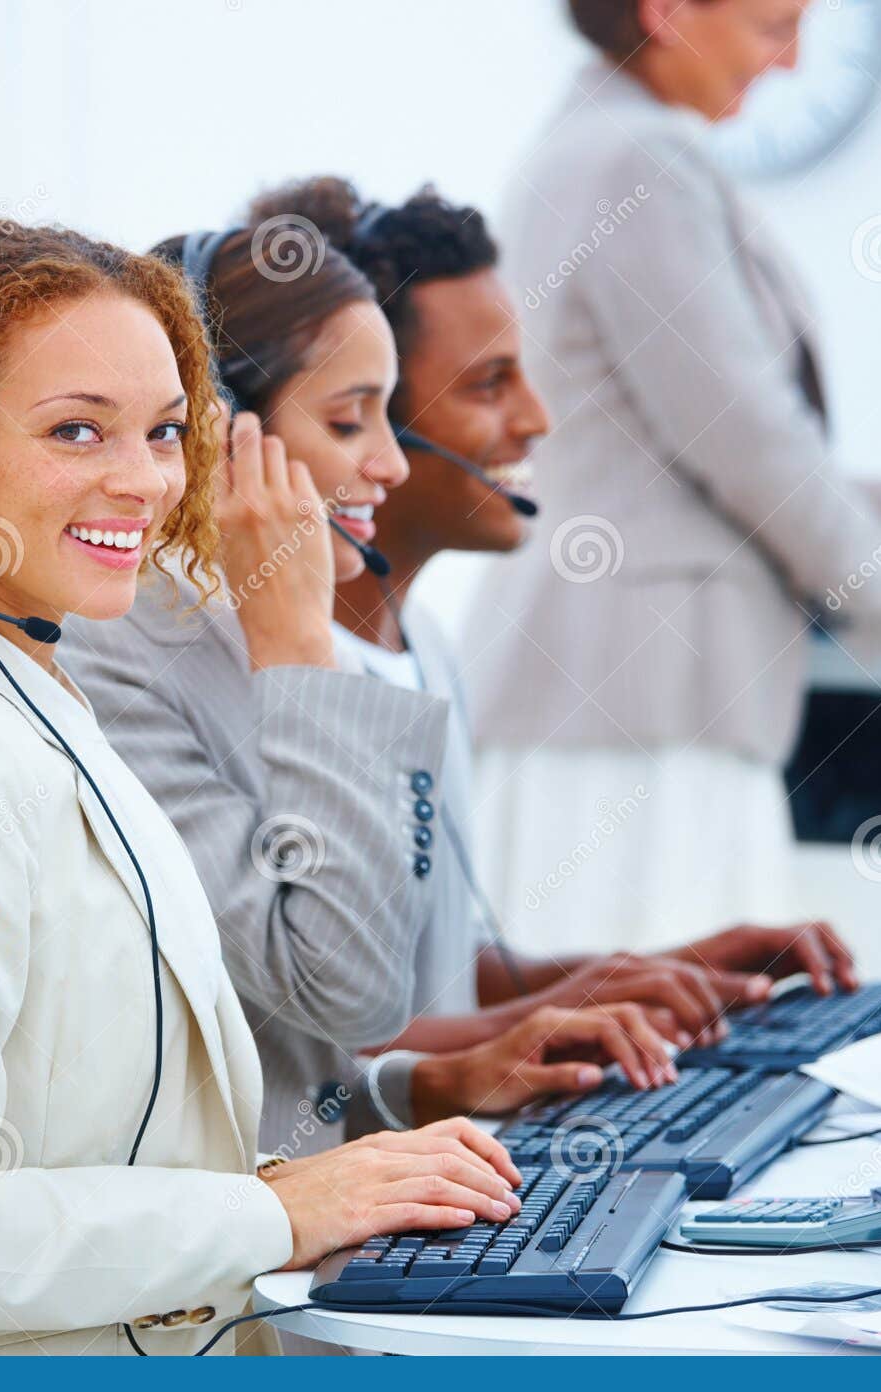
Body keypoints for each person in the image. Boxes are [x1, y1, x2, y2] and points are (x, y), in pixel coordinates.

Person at [0, 219, 521, 1357]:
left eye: (167, 431)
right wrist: (279, 1213)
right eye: (77, 430)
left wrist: (368, 1139)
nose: (141, 480)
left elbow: (117, 1131)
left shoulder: (33, 702)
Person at [64, 223, 699, 1157]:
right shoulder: (121, 663)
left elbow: (352, 1023)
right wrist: (294, 642)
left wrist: (469, 1061)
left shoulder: (349, 641)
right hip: (242, 1246)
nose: (392, 464)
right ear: (217, 431)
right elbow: (350, 996)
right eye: (350, 417)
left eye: (386, 412)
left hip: (352, 1181)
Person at [458, 0, 881, 954]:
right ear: (668, 14)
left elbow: (666, 438)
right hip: (640, 704)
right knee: (651, 1063)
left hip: (616, 688)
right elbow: (742, 435)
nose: (792, 62)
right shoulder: (637, 163)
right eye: (771, 25)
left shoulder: (594, 149)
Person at [246, 176, 860, 1036]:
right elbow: (313, 1044)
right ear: (367, 409)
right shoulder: (255, 671)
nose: (537, 419)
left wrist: (647, 974)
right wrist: (541, 1025)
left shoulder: (423, 642)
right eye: (489, 385)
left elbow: (440, 983)